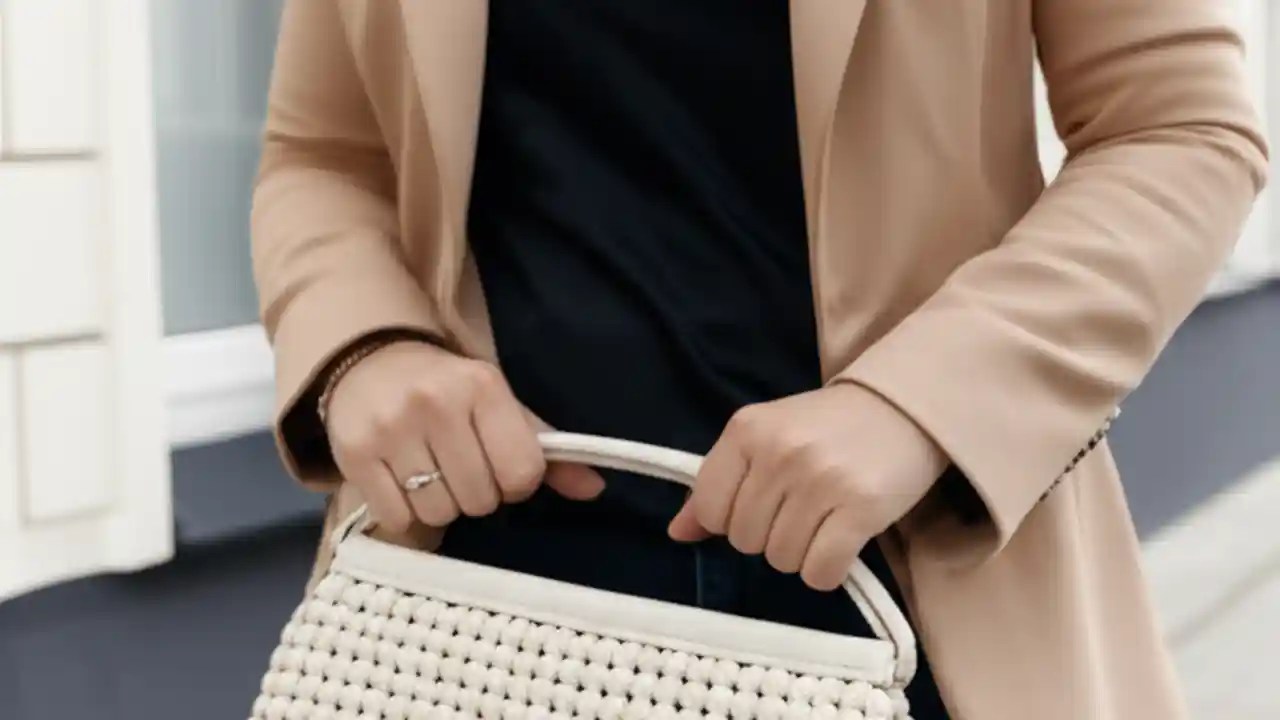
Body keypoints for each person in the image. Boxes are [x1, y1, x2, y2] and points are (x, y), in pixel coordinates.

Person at [251, 2, 1267, 717]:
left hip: (891, 584)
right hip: (471, 592)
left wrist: (919, 404)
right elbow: (323, 153)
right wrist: (365, 350)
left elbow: (1178, 128)